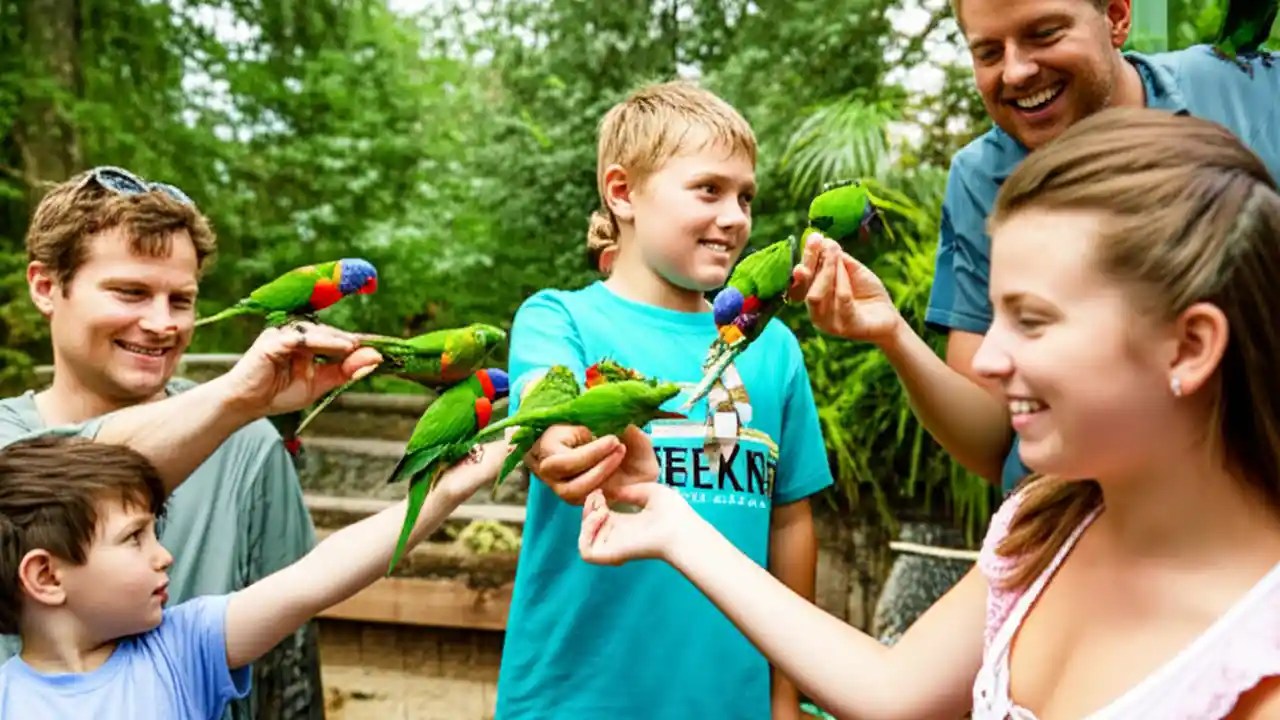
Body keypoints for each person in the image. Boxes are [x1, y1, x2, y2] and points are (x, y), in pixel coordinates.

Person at [577, 109, 1280, 717]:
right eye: (994, 314)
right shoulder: (1044, 531)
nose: (991, 358)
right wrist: (672, 525)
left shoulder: (1255, 660)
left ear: (1189, 347)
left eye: (1032, 321)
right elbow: (892, 691)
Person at [806, 0, 1280, 494]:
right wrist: (893, 336)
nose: (1016, 72)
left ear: (1117, 17)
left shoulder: (1250, 93)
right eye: (989, 52)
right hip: (1061, 521)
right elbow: (995, 432)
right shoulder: (979, 178)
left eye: (1045, 34)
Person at [493, 81, 834, 719]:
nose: (735, 216)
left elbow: (791, 521)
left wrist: (785, 699)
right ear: (622, 193)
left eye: (745, 196)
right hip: (572, 700)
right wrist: (552, 443)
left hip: (731, 702)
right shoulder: (558, 320)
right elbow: (546, 404)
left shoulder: (771, 347)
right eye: (709, 189)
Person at [0, 166, 328, 719]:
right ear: (46, 287)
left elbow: (286, 667)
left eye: (181, 300)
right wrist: (235, 398)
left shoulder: (247, 447)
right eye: (130, 292)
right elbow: (65, 470)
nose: (161, 323)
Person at [0, 415, 508, 717]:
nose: (164, 554)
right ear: (46, 577)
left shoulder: (182, 648)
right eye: (135, 538)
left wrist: (445, 493)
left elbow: (316, 577)